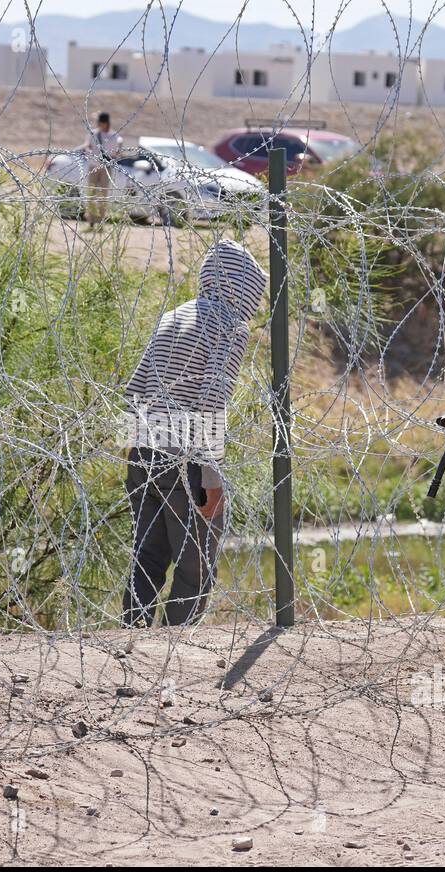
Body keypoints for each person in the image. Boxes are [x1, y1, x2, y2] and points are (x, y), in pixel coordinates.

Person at [121, 239, 266, 627]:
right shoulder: (229, 327)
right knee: (195, 564)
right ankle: (176, 645)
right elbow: (211, 404)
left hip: (145, 451)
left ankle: (131, 639)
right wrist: (212, 478)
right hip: (186, 462)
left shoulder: (173, 316)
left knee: (148, 556)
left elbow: (134, 389)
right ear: (244, 287)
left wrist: (134, 445)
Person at [84, 112, 122, 227]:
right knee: (91, 193)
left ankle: (100, 219)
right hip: (94, 166)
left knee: (103, 194)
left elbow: (116, 152)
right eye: (100, 123)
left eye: (103, 123)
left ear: (107, 123)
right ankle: (91, 219)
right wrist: (89, 152)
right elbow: (87, 145)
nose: (101, 125)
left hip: (106, 167)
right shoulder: (94, 133)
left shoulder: (114, 136)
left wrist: (112, 156)